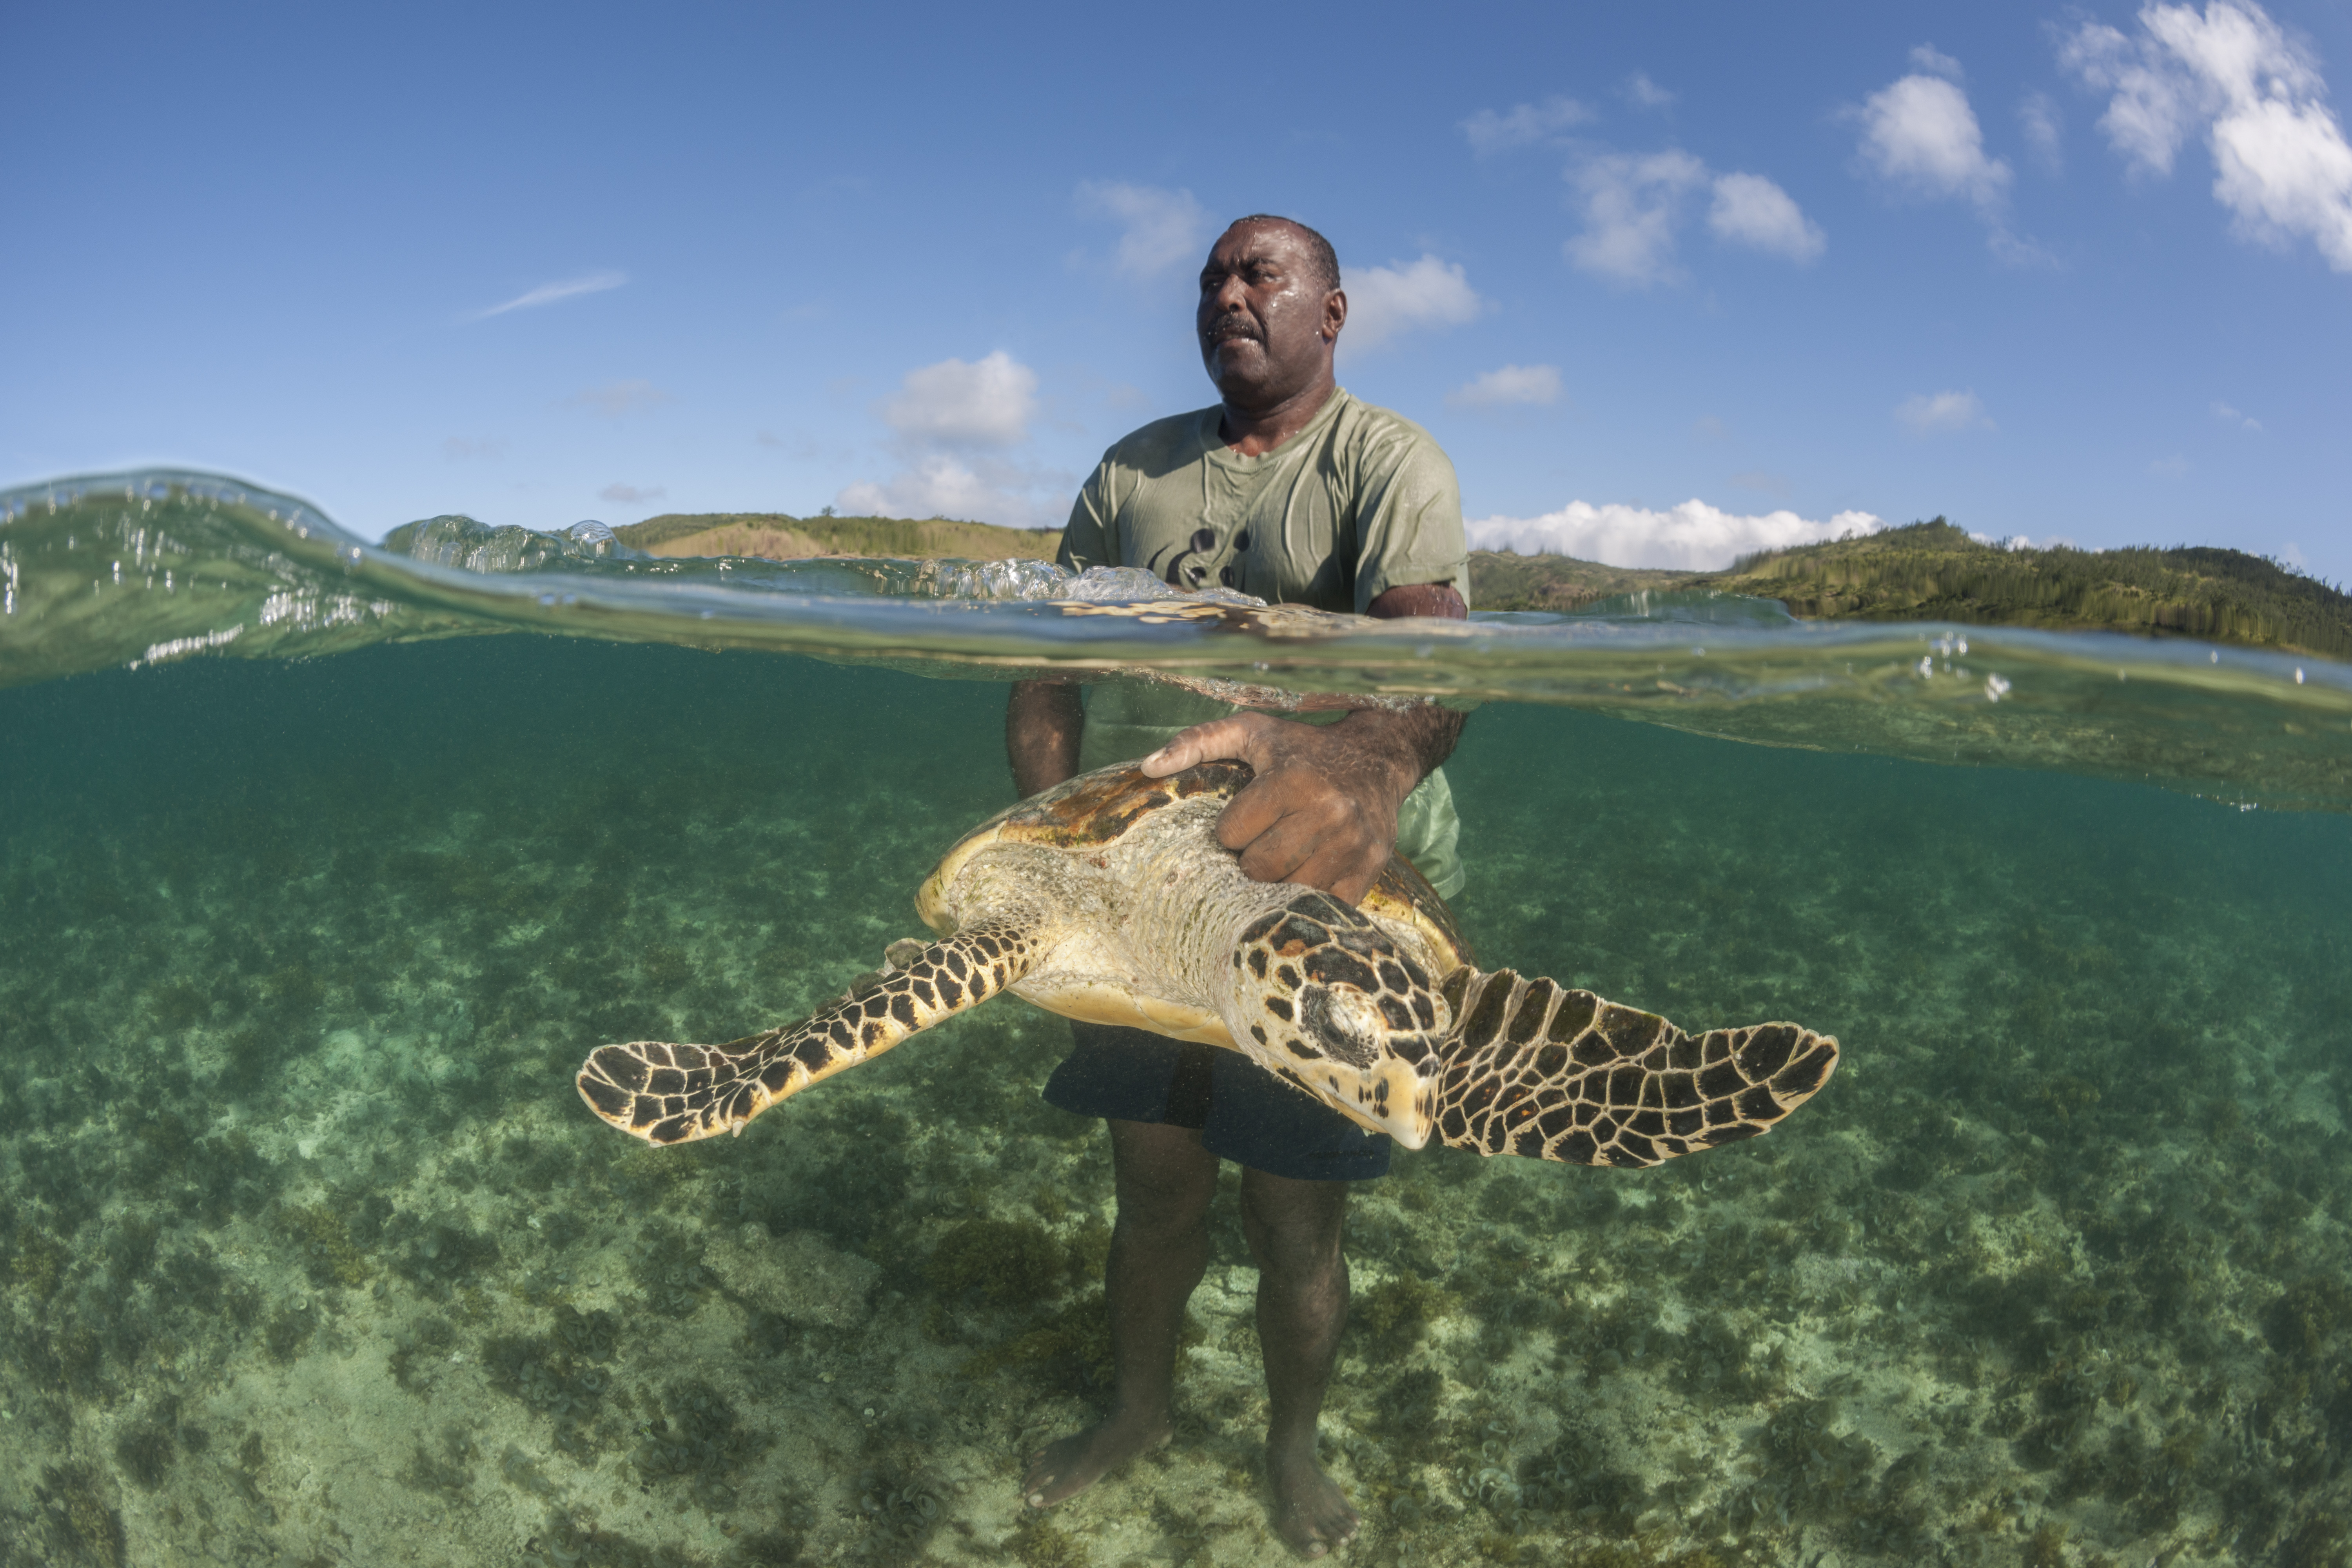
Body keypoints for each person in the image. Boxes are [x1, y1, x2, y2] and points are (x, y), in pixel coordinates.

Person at [1004, 214, 1471, 1559]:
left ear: (1333, 312)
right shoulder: (1128, 471)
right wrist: (1049, 836)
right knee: (1151, 1187)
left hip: (1325, 899)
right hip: (1150, 886)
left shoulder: (1388, 462)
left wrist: (1367, 775)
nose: (1228, 294)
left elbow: (1433, 671)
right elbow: (1049, 668)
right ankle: (1138, 1411)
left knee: (1291, 1208)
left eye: (1261, 274)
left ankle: (1292, 1446)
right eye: (1212, 277)